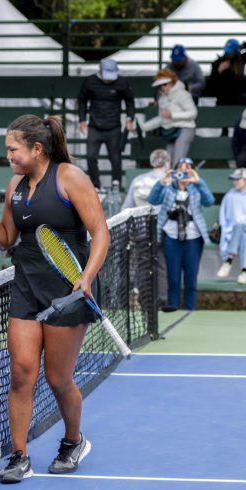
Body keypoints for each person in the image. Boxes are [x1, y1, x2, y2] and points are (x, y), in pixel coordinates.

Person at [0, 114, 110, 484]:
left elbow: (100, 233)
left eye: (13, 149)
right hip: (26, 287)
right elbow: (5, 240)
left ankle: (72, 441)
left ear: (36, 148)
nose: (9, 156)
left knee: (59, 378)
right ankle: (19, 456)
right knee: (21, 373)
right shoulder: (15, 183)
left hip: (67, 290)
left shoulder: (69, 177)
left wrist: (86, 278)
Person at [147, 157, 214, 312]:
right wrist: (161, 182)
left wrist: (198, 181)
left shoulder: (196, 188)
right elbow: (152, 200)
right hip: (172, 237)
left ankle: (190, 309)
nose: (184, 170)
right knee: (173, 277)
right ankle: (173, 308)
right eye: (180, 167)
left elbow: (209, 201)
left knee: (191, 278)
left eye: (188, 167)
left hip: (193, 238)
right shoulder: (169, 188)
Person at [77, 57, 135, 188]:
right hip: (94, 126)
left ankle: (116, 183)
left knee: (115, 158)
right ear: (100, 70)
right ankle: (95, 185)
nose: (108, 79)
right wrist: (82, 119)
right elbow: (82, 100)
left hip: (114, 126)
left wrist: (129, 118)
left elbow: (130, 101)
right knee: (91, 156)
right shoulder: (90, 81)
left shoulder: (122, 83)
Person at [122, 149, 170, 307]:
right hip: (167, 231)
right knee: (161, 265)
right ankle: (162, 300)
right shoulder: (170, 180)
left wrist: (126, 231)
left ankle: (146, 301)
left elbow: (127, 207)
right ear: (167, 163)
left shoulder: (138, 180)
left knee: (143, 266)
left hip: (141, 230)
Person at [141, 69, 198, 165]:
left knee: (178, 161)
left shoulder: (183, 94)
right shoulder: (162, 98)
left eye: (165, 84)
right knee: (168, 162)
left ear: (172, 82)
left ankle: (178, 179)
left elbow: (193, 113)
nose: (162, 87)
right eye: (161, 85)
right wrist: (142, 127)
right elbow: (161, 119)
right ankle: (170, 179)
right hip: (170, 131)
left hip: (185, 128)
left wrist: (173, 115)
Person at [216, 168, 246, 284]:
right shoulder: (230, 195)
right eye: (234, 179)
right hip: (235, 232)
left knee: (241, 227)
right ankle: (245, 271)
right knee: (244, 236)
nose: (235, 182)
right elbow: (224, 215)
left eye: (238, 179)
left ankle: (228, 260)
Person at [203, 38, 246, 107]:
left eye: (230, 51)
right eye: (226, 51)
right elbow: (211, 85)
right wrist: (219, 72)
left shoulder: (241, 59)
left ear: (235, 51)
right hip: (224, 98)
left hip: (240, 98)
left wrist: (242, 46)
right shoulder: (217, 63)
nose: (227, 53)